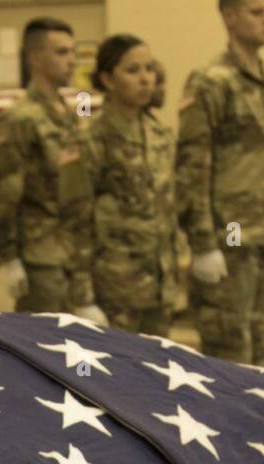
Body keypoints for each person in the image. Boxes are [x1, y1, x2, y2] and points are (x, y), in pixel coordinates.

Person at [176, 0, 264, 367]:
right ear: (229, 17)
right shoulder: (210, 81)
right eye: (257, 12)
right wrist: (203, 244)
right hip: (232, 237)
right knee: (230, 352)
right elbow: (192, 166)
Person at [0, 17, 105, 323]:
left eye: (73, 53)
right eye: (62, 53)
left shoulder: (69, 115)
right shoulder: (20, 119)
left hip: (76, 257)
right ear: (36, 58)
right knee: (44, 352)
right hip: (41, 260)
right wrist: (8, 257)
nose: (71, 62)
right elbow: (4, 194)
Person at [89, 35, 178, 336]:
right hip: (115, 289)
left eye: (149, 69)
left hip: (160, 285)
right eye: (132, 70)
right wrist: (82, 296)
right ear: (107, 79)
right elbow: (74, 222)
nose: (145, 79)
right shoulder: (91, 137)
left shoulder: (159, 134)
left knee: (156, 376)